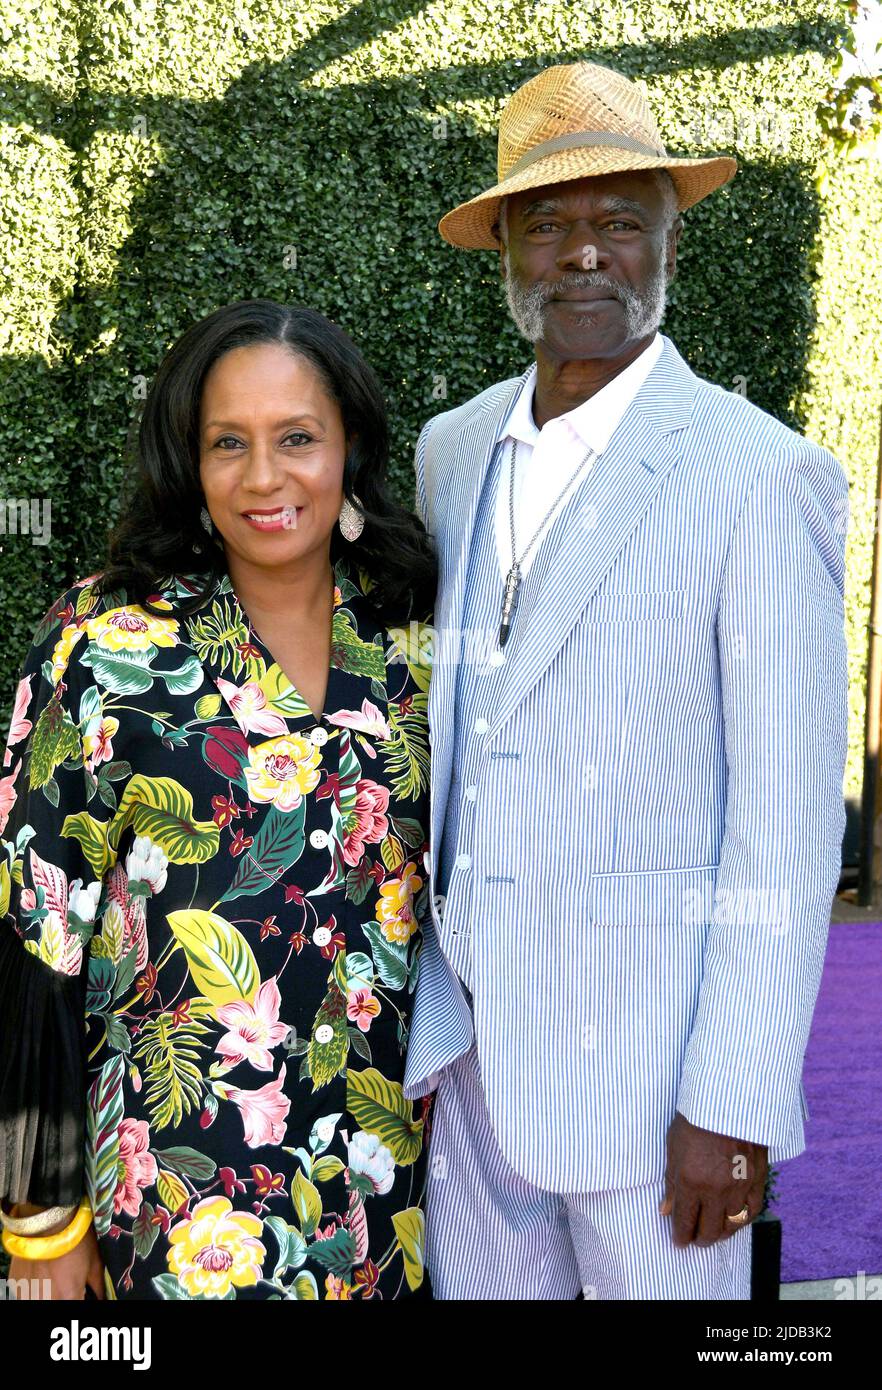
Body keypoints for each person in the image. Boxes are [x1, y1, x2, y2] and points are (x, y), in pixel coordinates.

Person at [402, 61, 849, 1300]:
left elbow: (788, 822)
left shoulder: (761, 475)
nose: (583, 254)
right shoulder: (453, 450)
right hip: (470, 1066)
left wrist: (736, 1097)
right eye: (548, 223)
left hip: (657, 1096)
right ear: (506, 248)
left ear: (666, 243)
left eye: (618, 221)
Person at [0, 299, 437, 1300]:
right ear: (189, 464)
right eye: (227, 443)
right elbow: (35, 936)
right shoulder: (108, 641)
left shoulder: (414, 640)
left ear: (351, 448)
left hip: (383, 1205)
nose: (265, 477)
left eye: (297, 439)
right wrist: (38, 1220)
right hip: (166, 1212)